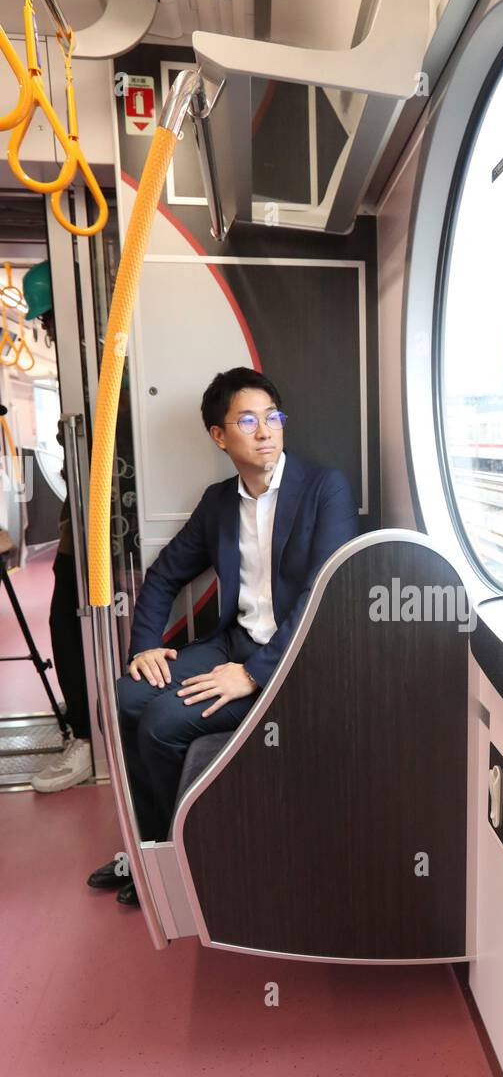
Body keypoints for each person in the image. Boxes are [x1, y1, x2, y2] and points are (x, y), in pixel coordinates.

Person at [87, 366, 358, 907]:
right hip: (232, 642)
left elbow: (324, 595)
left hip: (292, 663)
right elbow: (164, 575)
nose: (266, 431)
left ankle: (178, 857)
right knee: (124, 697)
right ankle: (149, 852)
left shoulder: (325, 488)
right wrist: (144, 645)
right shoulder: (218, 503)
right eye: (248, 420)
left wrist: (255, 674)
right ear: (220, 436)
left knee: (162, 724)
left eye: (272, 417)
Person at [22, 262, 95, 793]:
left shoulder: (99, 364)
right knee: (65, 622)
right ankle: (86, 718)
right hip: (81, 522)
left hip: (101, 529)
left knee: (68, 626)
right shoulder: (78, 366)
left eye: (47, 317)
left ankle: (89, 741)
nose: (45, 329)